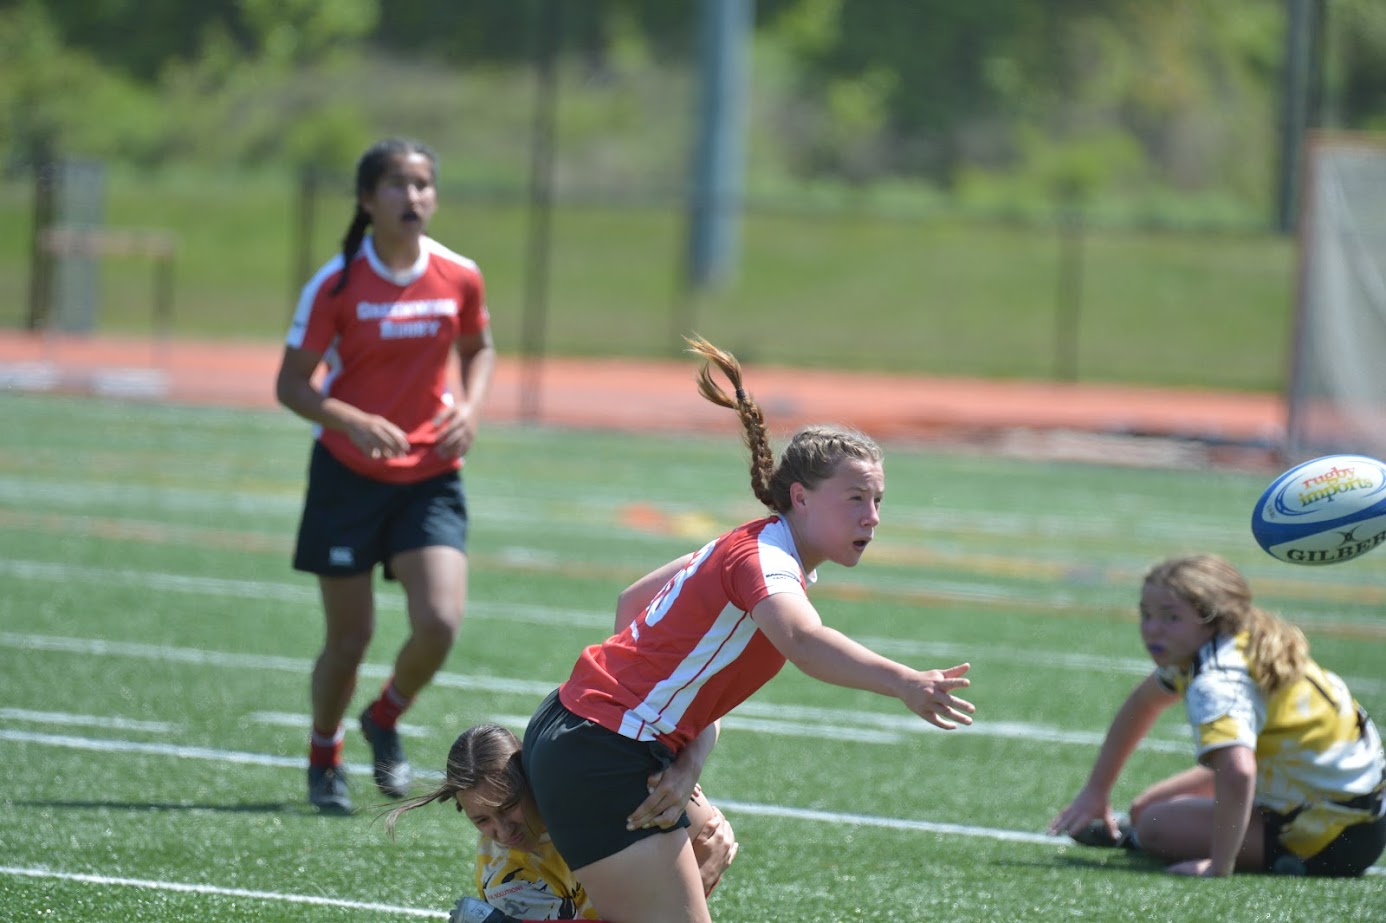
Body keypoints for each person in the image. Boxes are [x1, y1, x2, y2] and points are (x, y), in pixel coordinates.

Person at [517, 335, 977, 923]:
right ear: (800, 498)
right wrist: (905, 682)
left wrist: (685, 757)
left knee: (710, 844)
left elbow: (632, 606)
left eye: (879, 500)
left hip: (585, 729)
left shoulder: (754, 543)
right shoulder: (763, 561)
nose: (873, 517)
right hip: (600, 750)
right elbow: (804, 642)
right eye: (856, 498)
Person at [276, 137, 496, 813]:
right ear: (368, 200)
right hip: (348, 475)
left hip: (431, 472)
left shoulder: (459, 274)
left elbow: (479, 346)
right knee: (350, 637)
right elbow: (291, 385)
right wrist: (351, 420)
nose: (414, 197)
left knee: (440, 619)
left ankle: (386, 715)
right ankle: (323, 753)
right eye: (398, 185)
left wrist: (470, 405)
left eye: (424, 184)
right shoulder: (336, 283)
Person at [1049, 553, 1386, 878]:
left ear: (1211, 617)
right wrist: (1096, 790)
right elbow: (1142, 704)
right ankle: (1142, 833)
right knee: (1144, 810)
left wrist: (1218, 865)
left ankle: (1277, 855)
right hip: (1338, 800)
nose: (1152, 629)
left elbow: (1239, 772)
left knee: (1154, 826)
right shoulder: (1231, 639)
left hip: (1336, 837)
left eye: (1171, 617)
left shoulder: (1216, 679)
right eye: (1146, 614)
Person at [385, 724, 739, 923]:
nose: (503, 831)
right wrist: (698, 882)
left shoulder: (582, 789)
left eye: (508, 807)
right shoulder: (509, 878)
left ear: (532, 780)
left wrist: (679, 771)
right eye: (482, 820)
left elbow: (707, 716)